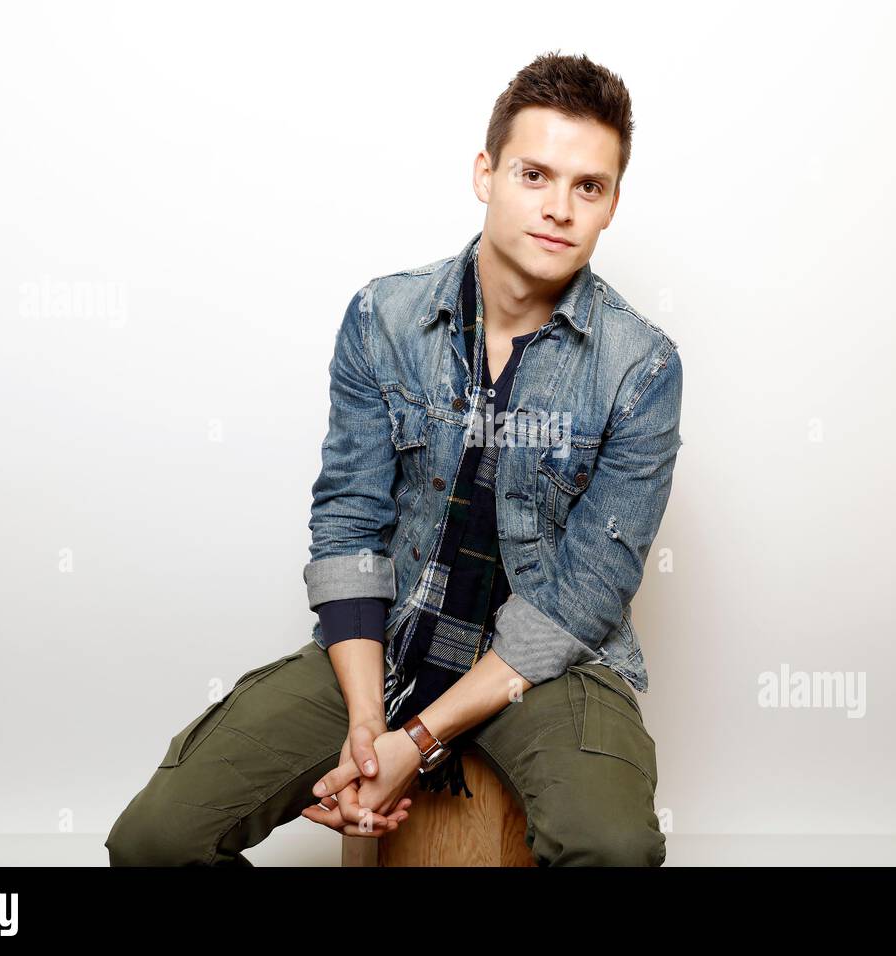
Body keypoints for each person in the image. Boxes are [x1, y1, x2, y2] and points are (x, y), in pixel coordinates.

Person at [106, 50, 682, 867]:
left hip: (545, 667)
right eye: (534, 175)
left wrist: (415, 742)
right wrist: (368, 725)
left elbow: (587, 593)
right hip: (395, 636)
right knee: (155, 841)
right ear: (485, 174)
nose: (559, 208)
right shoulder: (384, 317)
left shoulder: (642, 367)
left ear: (612, 204)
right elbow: (349, 521)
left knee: (613, 847)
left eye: (588, 186)